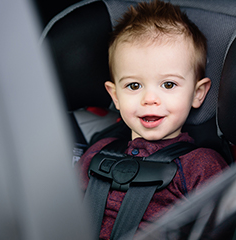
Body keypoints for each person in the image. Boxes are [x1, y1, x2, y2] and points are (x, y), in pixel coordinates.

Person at [77, 0, 227, 239]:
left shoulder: (201, 166)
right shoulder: (97, 154)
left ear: (197, 93)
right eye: (134, 85)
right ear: (115, 96)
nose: (149, 98)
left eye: (168, 84)